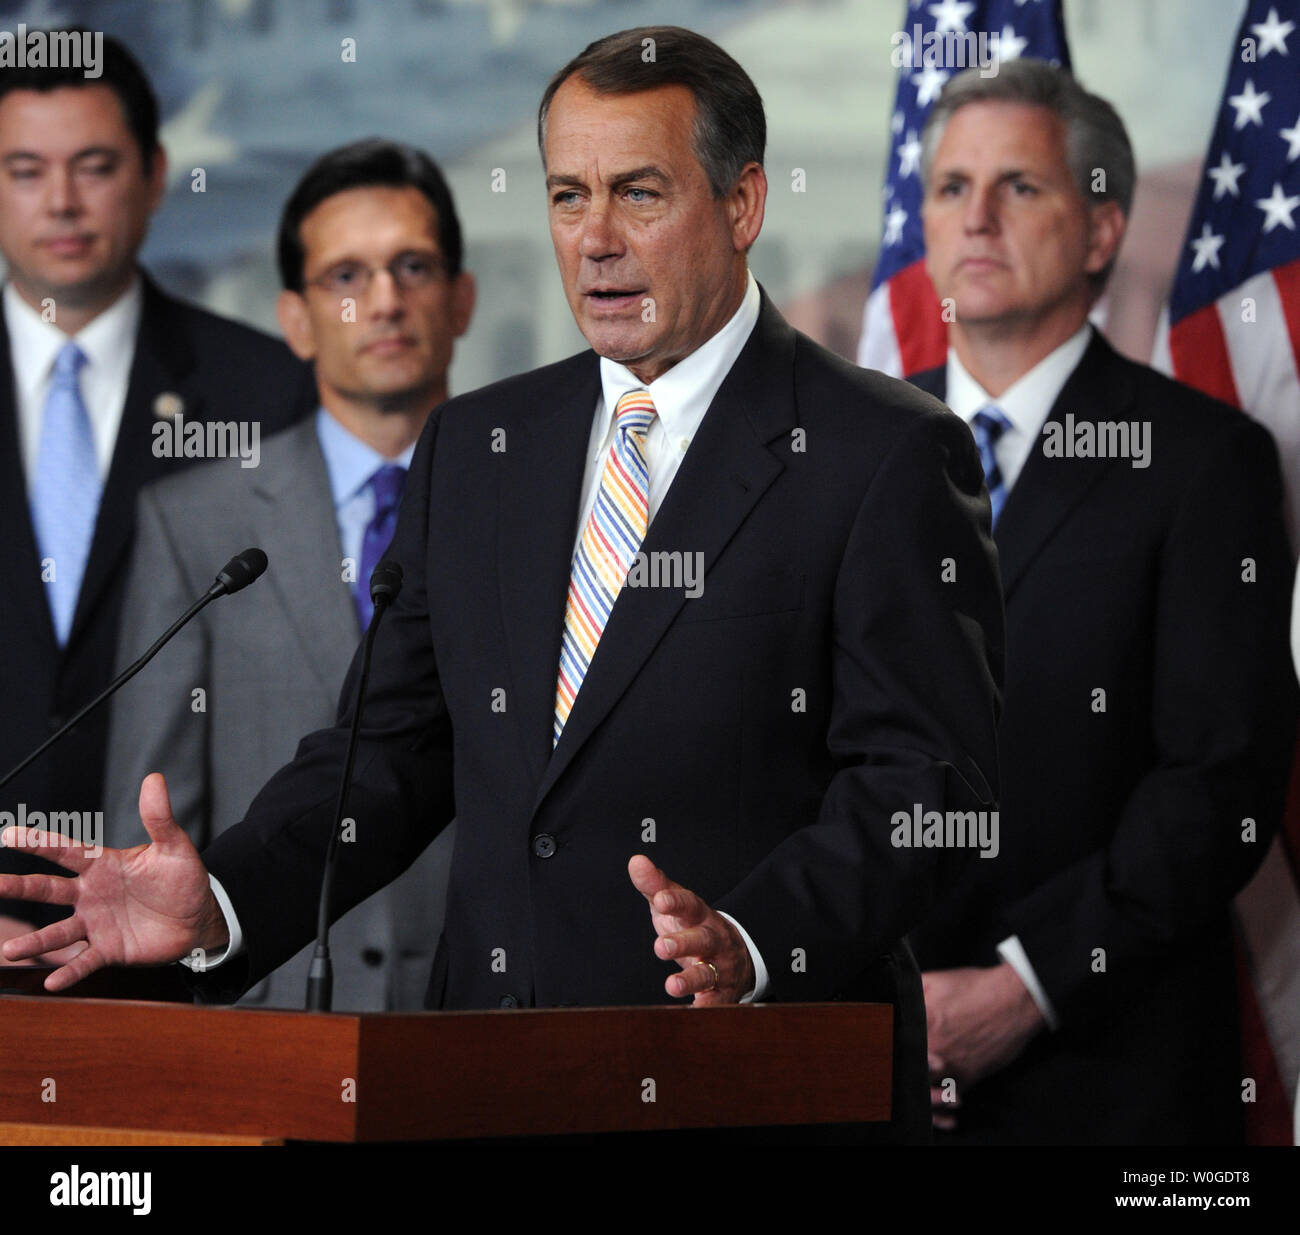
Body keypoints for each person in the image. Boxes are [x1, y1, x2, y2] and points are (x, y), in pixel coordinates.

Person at [0, 26, 1002, 1142]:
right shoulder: (479, 443)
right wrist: (223, 899)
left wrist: (759, 938)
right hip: (484, 1085)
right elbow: (387, 753)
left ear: (743, 203)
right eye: (568, 197)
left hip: (750, 1084)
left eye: (639, 193)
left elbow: (932, 788)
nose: (597, 241)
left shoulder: (880, 452)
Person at [907, 60, 1297, 1144]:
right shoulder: (833, 454)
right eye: (949, 188)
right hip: (862, 1069)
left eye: (1018, 187)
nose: (975, 217)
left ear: (1098, 231)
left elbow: (1218, 777)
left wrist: (1024, 985)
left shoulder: (1202, 462)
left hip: (1107, 1082)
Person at [103, 140, 474, 1011]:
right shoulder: (194, 521)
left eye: (412, 266)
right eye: (346, 275)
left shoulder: (543, 502)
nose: (383, 301)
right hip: (267, 1024)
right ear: (296, 319)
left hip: (480, 1027)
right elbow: (154, 813)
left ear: (462, 298)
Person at [0, 33, 313, 941]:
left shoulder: (264, 391)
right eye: (25, 170)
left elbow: (284, 680)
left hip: (172, 933)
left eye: (94, 166)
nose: (61, 201)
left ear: (154, 172)